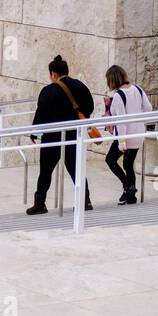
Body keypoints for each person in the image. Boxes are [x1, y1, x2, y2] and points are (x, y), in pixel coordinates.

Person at [26, 55, 93, 215]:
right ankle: (85, 201)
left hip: (53, 136)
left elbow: (41, 112)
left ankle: (40, 203)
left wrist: (35, 133)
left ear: (53, 74)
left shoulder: (49, 90)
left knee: (46, 171)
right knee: (76, 168)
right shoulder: (80, 86)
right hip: (74, 134)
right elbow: (88, 107)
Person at [102, 64, 150, 205]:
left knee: (110, 160)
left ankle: (127, 187)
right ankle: (131, 194)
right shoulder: (138, 89)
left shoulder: (118, 96)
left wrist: (121, 141)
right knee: (128, 164)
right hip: (138, 134)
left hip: (125, 137)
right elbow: (148, 109)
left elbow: (121, 121)